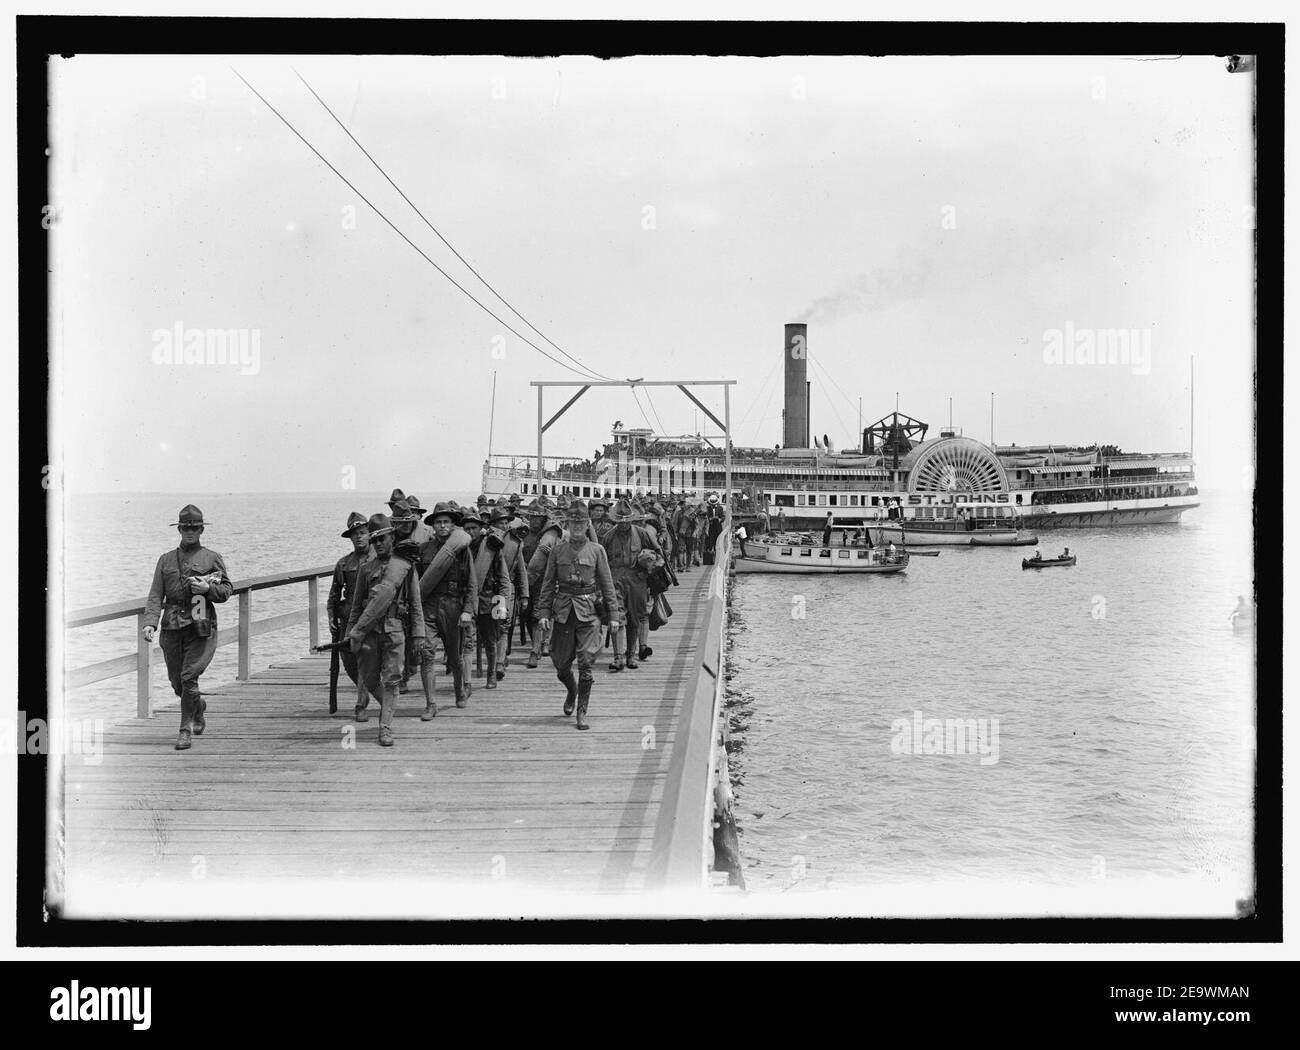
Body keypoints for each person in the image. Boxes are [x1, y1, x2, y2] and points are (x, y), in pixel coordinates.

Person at [142, 504, 234, 750]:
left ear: (202, 530)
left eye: (194, 528)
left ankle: (185, 730)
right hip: (172, 627)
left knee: (189, 676)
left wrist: (208, 589)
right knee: (177, 683)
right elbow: (155, 595)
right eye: (185, 528)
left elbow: (226, 590)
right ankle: (198, 707)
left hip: (201, 626)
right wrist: (150, 623)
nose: (189, 532)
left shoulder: (212, 558)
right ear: (179, 530)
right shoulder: (165, 560)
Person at [535, 500, 620, 731]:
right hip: (563, 612)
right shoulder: (557, 551)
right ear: (567, 524)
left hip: (589, 612)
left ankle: (582, 710)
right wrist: (543, 612)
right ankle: (572, 690)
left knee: (586, 664)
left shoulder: (596, 550)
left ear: (587, 523)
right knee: (561, 665)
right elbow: (547, 584)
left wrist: (613, 615)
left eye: (581, 523)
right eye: (573, 523)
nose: (577, 527)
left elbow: (607, 584)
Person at [345, 513, 429, 747]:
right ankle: (390, 708)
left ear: (392, 537)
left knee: (392, 679)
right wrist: (352, 632)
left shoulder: (404, 567)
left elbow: (415, 603)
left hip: (394, 629)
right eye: (374, 540)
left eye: (383, 538)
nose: (378, 544)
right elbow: (356, 606)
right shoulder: (365, 568)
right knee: (369, 679)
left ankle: (385, 728)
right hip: (370, 632)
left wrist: (419, 634)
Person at [418, 501, 478, 710]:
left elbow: (471, 582)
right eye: (438, 522)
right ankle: (430, 703)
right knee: (426, 654)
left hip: (453, 606)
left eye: (446, 522)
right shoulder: (423, 550)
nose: (442, 526)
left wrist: (468, 611)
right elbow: (416, 582)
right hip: (429, 607)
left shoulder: (462, 551)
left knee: (455, 657)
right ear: (433, 526)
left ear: (453, 526)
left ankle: (459, 690)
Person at [602, 498, 663, 669]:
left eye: (626, 521)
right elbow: (601, 562)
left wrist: (648, 570)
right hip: (615, 581)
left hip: (637, 580)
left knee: (634, 619)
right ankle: (617, 657)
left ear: (631, 519)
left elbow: (659, 554)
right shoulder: (608, 537)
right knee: (617, 617)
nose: (623, 524)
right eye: (619, 521)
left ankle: (631, 655)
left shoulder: (642, 534)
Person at [465, 510, 513, 689]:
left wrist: (502, 606)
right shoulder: (461, 549)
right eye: (467, 528)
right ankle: (466, 679)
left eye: (474, 528)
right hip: (468, 601)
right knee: (467, 641)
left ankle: (491, 673)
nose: (470, 532)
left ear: (481, 528)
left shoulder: (491, 548)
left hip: (488, 600)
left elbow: (503, 579)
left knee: (490, 640)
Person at [327, 511, 372, 686]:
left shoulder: (380, 558)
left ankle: (370, 691)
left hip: (373, 616)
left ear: (369, 534)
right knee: (349, 660)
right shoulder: (344, 564)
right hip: (349, 619)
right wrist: (331, 616)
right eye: (354, 535)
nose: (359, 538)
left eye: (362, 533)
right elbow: (333, 595)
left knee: (373, 658)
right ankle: (365, 689)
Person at [522, 499, 564, 667]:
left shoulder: (552, 535)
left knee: (538, 614)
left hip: (545, 580)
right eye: (531, 517)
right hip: (526, 579)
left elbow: (562, 556)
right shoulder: (525, 533)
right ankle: (539, 643)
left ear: (543, 519)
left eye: (537, 518)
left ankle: (535, 650)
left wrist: (552, 553)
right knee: (526, 615)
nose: (533, 521)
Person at [491, 501, 529, 681]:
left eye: (506, 523)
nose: (504, 526)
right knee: (490, 628)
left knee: (503, 625)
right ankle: (497, 658)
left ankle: (499, 663)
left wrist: (524, 595)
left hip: (506, 591)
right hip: (488, 590)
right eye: (500, 523)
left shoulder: (515, 543)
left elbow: (521, 570)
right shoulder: (485, 541)